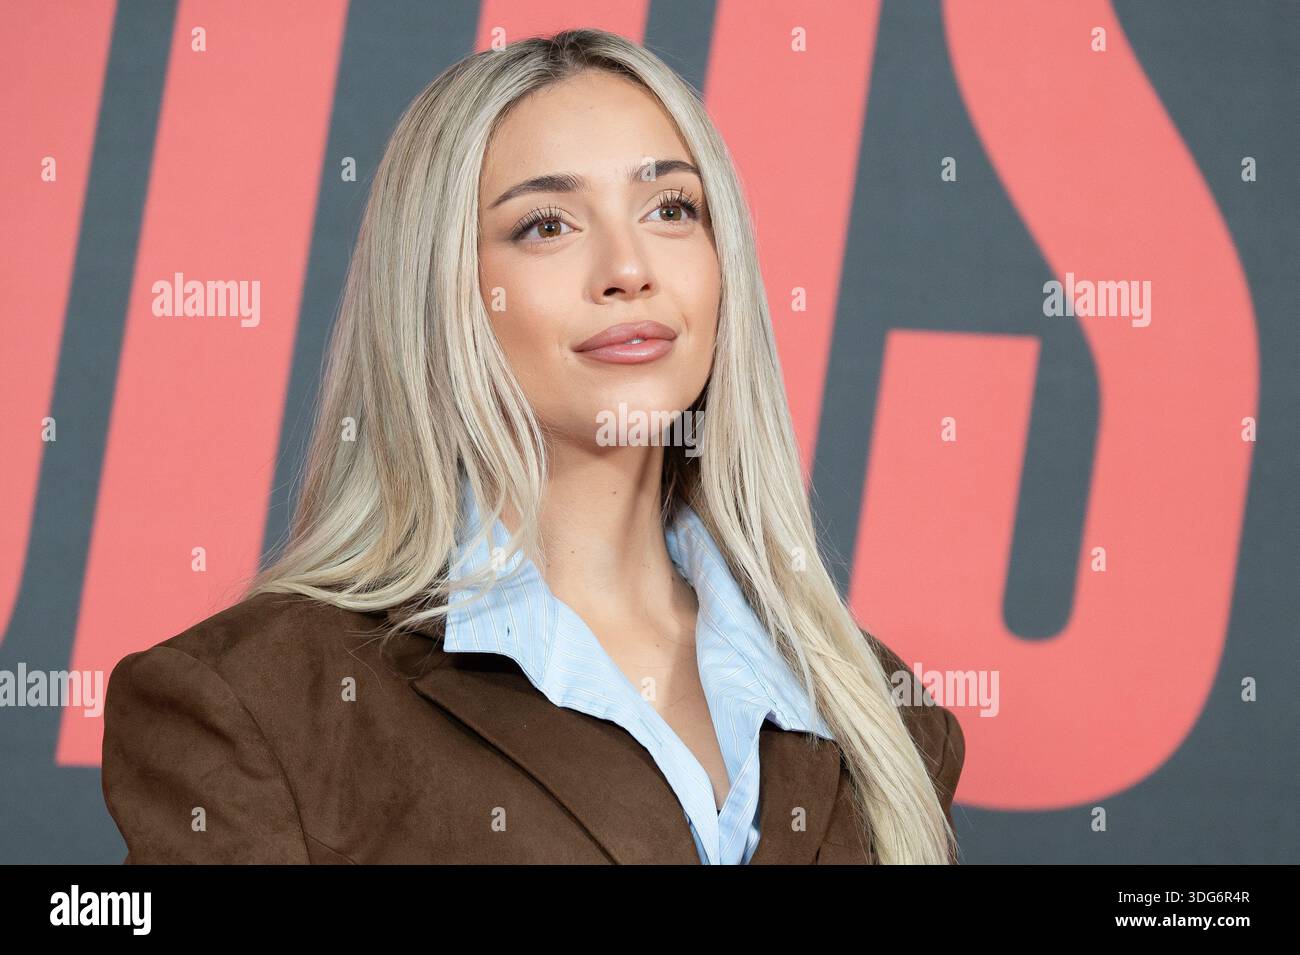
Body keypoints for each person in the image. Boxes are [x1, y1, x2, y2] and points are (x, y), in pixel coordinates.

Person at [101, 28, 964, 865]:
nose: (628, 267)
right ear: (444, 291)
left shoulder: (877, 708)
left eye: (671, 208)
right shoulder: (258, 704)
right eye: (547, 225)